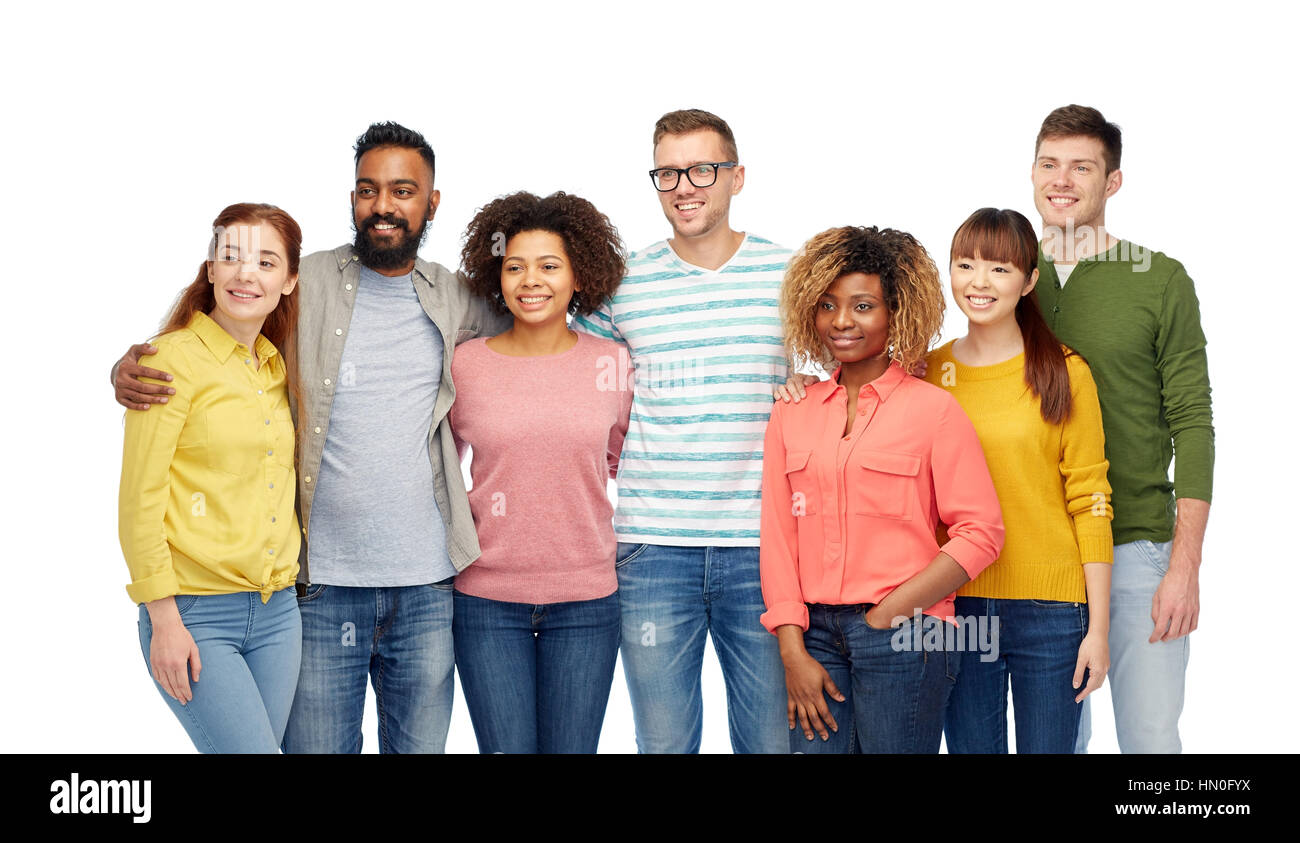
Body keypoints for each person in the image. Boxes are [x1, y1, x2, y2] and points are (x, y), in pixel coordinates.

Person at [112, 122, 511, 753]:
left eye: (403, 190)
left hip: (428, 585)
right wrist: (129, 367)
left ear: (432, 203)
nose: (383, 205)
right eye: (367, 189)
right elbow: (216, 333)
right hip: (317, 586)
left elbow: (540, 319)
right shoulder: (307, 280)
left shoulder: (458, 296)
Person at [571, 108, 791, 753]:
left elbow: (843, 373)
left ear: (737, 177)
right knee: (664, 745)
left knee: (771, 742)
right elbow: (589, 392)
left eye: (702, 168)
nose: (684, 186)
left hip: (762, 549)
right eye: (667, 173)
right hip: (652, 550)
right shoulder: (622, 285)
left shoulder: (792, 274)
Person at [760, 225, 1005, 753]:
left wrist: (888, 613)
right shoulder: (791, 411)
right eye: (827, 305)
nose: (841, 321)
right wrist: (790, 648)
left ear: (896, 312)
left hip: (908, 634)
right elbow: (778, 536)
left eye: (863, 306)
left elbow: (981, 532)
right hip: (812, 637)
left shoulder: (934, 410)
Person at [1030, 105, 1213, 753]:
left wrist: (1184, 565)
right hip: (1037, 560)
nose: (1062, 179)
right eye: (1049, 164)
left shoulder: (1159, 280)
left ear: (1112, 182)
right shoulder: (1006, 279)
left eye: (1082, 166)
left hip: (1137, 546)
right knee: (1049, 744)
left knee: (1150, 744)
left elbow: (1194, 424)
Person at [925, 207, 1113, 753]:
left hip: (1052, 612)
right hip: (956, 606)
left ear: (1030, 281)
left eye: (1000, 269)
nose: (979, 283)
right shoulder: (927, 374)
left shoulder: (1065, 371)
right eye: (965, 264)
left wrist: (1096, 629)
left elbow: (1093, 500)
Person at [449, 190, 631, 753]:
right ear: (496, 276)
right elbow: (441, 472)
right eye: (515, 266)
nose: (531, 280)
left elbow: (616, 458)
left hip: (586, 598)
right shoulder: (466, 363)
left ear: (579, 276)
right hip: (485, 601)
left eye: (549, 266)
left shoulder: (612, 362)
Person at [119, 202, 303, 753]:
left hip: (278, 614)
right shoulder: (169, 362)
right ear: (211, 269)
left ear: (290, 280)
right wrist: (164, 618)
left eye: (267, 263)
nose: (247, 273)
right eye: (233, 258)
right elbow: (139, 500)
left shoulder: (275, 367)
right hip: (196, 613)